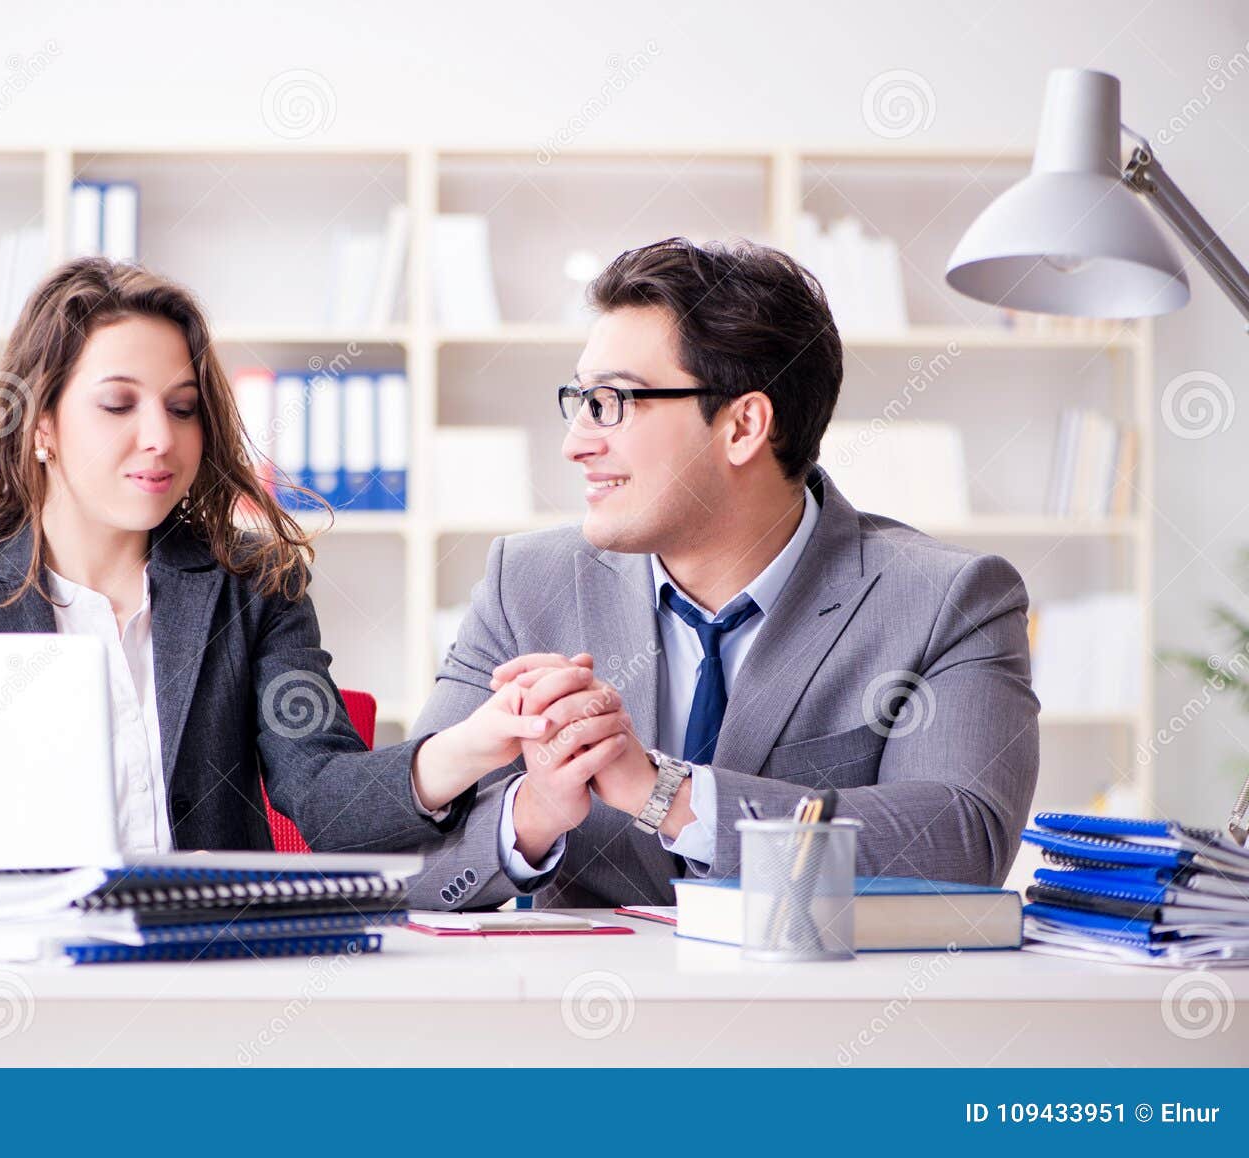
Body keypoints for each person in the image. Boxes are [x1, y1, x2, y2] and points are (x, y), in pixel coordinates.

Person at [406, 237, 1040, 909]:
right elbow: (393, 857)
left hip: (812, 1007)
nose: (576, 442)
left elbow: (962, 846)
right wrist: (532, 814)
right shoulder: (527, 584)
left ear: (743, 427)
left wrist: (664, 792)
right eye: (580, 400)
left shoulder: (948, 601)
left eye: (614, 401)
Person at [0, 257, 598, 855]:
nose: (160, 439)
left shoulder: (252, 585)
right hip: (21, 964)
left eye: (181, 407)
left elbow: (322, 792)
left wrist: (474, 744)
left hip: (213, 963)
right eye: (117, 405)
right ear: (41, 424)